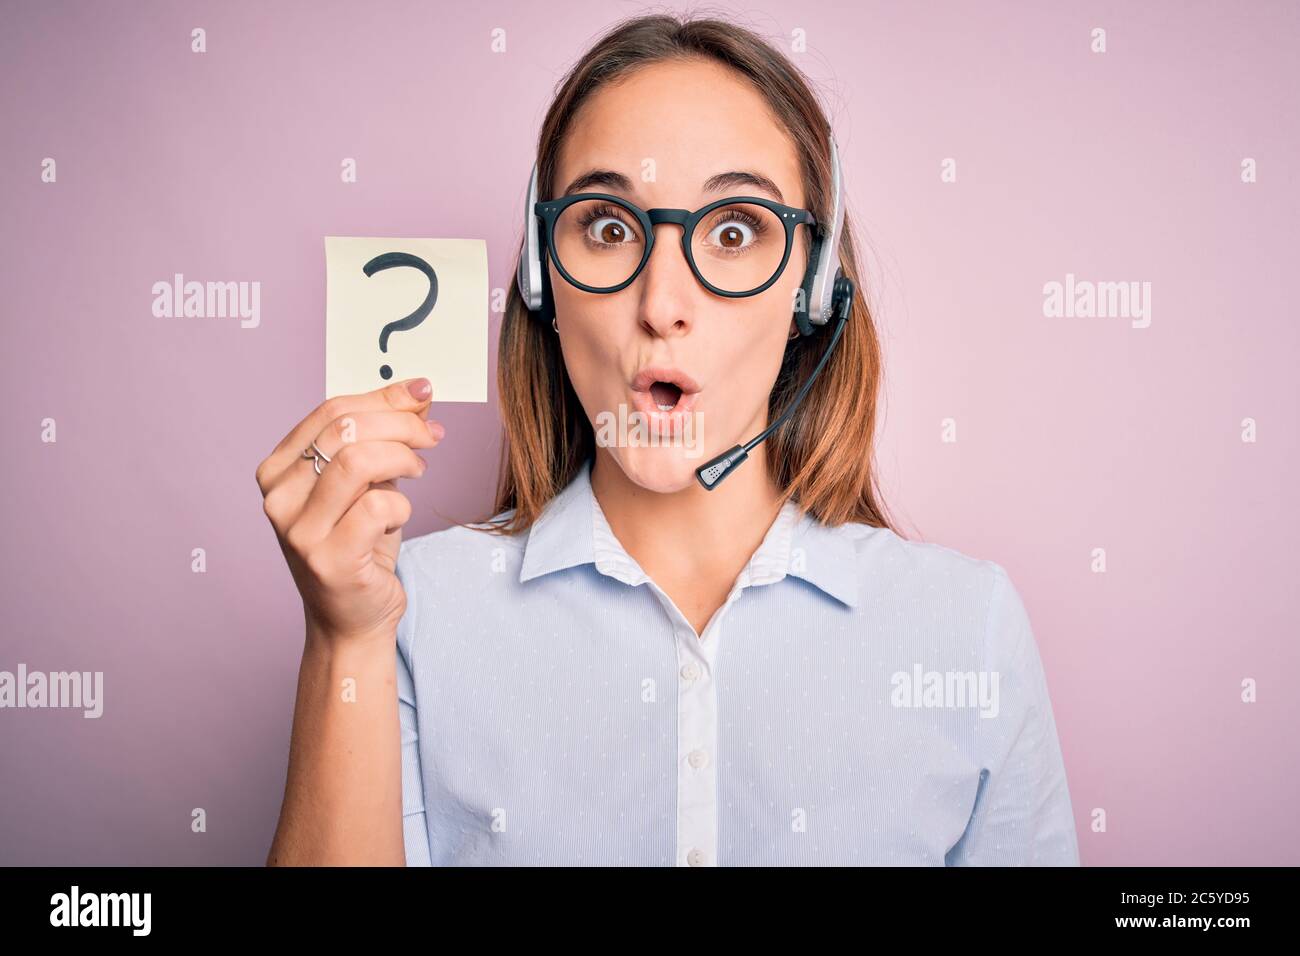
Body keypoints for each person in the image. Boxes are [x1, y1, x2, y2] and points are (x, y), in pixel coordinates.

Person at [261, 13, 1080, 866]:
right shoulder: (404, 612)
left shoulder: (966, 628)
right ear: (544, 281)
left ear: (814, 289)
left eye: (734, 232)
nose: (662, 303)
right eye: (609, 227)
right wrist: (343, 640)